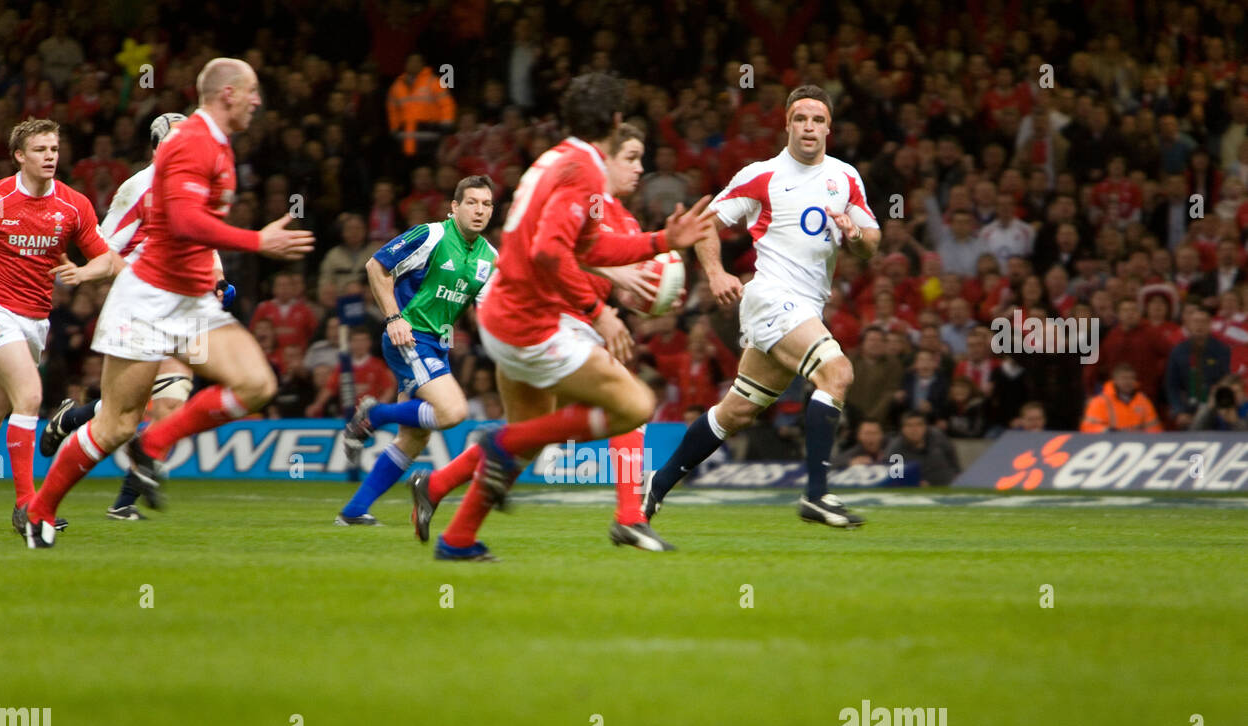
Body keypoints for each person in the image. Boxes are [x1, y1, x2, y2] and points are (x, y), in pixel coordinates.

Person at [20, 58, 314, 548]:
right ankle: (41, 510)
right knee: (115, 425)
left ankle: (153, 443)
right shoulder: (192, 143)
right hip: (148, 300)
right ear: (227, 94)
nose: (258, 101)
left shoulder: (218, 143)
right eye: (252, 91)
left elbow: (197, 230)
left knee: (258, 384)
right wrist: (256, 242)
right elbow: (183, 222)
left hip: (192, 300)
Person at [429, 72, 714, 561]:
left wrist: (662, 241)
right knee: (635, 405)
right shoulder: (585, 170)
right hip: (530, 321)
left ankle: (456, 540)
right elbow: (549, 251)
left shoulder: (560, 157)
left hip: (507, 313)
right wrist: (599, 312)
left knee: (533, 435)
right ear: (616, 120)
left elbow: (587, 246)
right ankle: (503, 445)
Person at [644, 85, 881, 530]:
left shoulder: (846, 177)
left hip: (805, 307)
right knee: (837, 372)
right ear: (787, 124)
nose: (808, 127)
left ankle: (655, 485)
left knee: (736, 411)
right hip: (770, 297)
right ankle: (817, 496)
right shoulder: (762, 175)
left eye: (817, 120)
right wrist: (716, 273)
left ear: (828, 128)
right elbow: (705, 224)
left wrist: (855, 237)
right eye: (800, 119)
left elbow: (871, 240)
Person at [38, 112, 238, 521]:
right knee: (124, 414)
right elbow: (105, 248)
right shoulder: (138, 187)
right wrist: (89, 274)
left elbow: (206, 246)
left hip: (185, 307)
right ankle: (71, 436)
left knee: (168, 405)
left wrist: (218, 281)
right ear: (157, 146)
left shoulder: (198, 187)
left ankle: (122, 499)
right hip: (142, 307)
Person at [0, 117, 112, 533]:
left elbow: (108, 260)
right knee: (30, 396)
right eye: (40, 150)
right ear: (19, 155)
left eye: (54, 149)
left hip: (35, 321)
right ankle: (29, 509)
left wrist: (84, 273)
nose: (50, 156)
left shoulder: (73, 205)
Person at [333, 175, 497, 525]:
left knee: (414, 438)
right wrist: (394, 318)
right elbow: (376, 266)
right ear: (454, 207)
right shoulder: (431, 235)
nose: (479, 210)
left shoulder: (489, 257)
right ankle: (375, 415)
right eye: (471, 203)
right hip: (409, 337)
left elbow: (491, 313)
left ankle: (353, 512)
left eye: (486, 204)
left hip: (438, 347)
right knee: (453, 411)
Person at [1080, 363, 1161, 432]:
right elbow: (1088, 427)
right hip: (1109, 442)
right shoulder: (1100, 402)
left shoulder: (1143, 401)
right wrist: (1109, 431)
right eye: (1124, 378)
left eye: (1131, 378)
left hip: (1137, 443)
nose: (1128, 382)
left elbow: (1154, 429)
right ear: (1115, 380)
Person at [886, 410, 960, 486]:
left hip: (950, 485)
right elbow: (894, 480)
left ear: (926, 427)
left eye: (919, 425)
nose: (914, 429)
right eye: (909, 425)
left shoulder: (938, 436)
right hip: (918, 491)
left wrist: (958, 475)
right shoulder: (895, 449)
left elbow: (952, 458)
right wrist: (913, 484)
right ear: (902, 429)